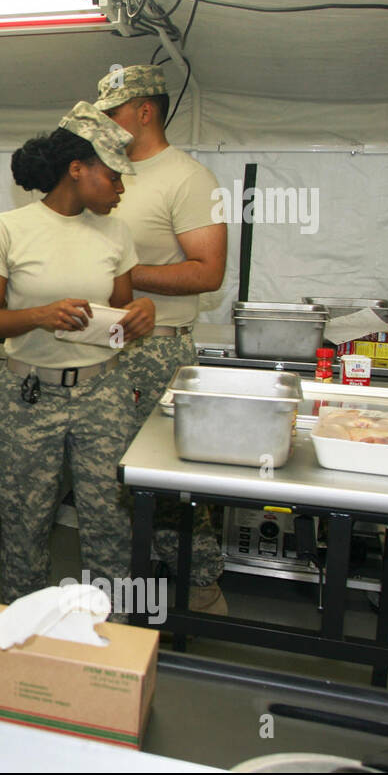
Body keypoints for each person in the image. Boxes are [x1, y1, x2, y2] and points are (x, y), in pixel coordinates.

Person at [0, 102, 155, 605]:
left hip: (104, 393)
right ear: (78, 169)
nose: (120, 190)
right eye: (114, 178)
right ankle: (26, 634)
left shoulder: (117, 233)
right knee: (24, 522)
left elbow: (119, 323)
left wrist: (140, 317)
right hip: (27, 396)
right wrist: (39, 315)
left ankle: (110, 641)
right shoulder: (6, 229)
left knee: (110, 523)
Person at [94, 64, 230, 615]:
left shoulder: (191, 179)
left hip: (160, 349)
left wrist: (125, 275)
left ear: (144, 111)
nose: (104, 121)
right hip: (104, 345)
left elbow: (208, 273)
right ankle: (128, 592)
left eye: (113, 111)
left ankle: (200, 584)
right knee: (108, 478)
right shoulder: (101, 174)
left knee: (171, 477)